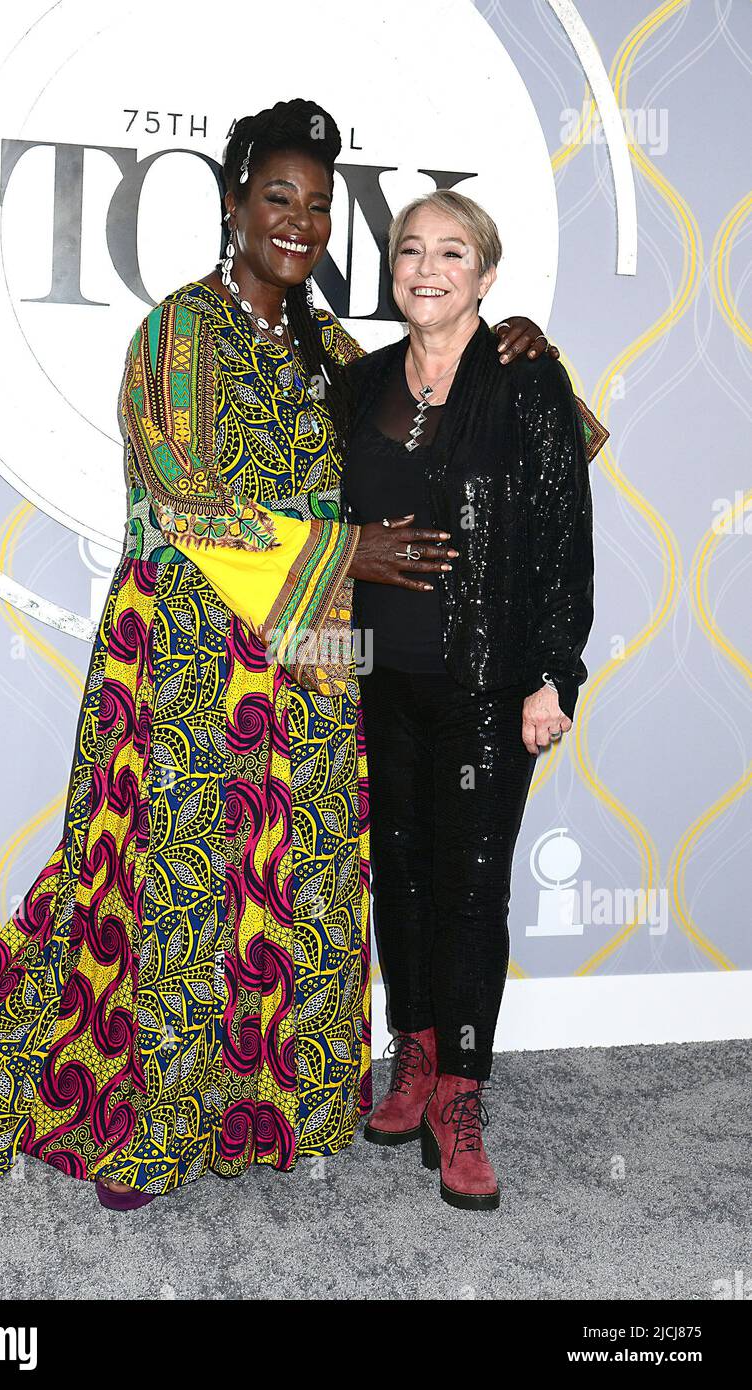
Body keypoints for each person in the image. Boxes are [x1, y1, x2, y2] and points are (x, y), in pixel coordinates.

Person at [0, 102, 559, 1224]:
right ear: (233, 205)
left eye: (318, 204)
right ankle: (143, 1117)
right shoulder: (174, 336)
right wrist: (351, 547)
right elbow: (184, 494)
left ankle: (276, 1104)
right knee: (176, 880)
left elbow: (482, 422)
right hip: (190, 648)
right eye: (278, 197)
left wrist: (512, 346)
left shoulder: (337, 351)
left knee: (295, 874)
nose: (299, 221)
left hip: (315, 653)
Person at [343, 189, 607, 1210]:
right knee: (398, 873)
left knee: (470, 889)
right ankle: (410, 1057)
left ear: (484, 275)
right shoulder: (358, 379)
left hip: (490, 682)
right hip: (375, 675)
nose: (426, 266)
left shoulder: (524, 378)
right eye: (410, 249)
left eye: (452, 252)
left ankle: (459, 1093)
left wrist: (556, 673)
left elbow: (559, 534)